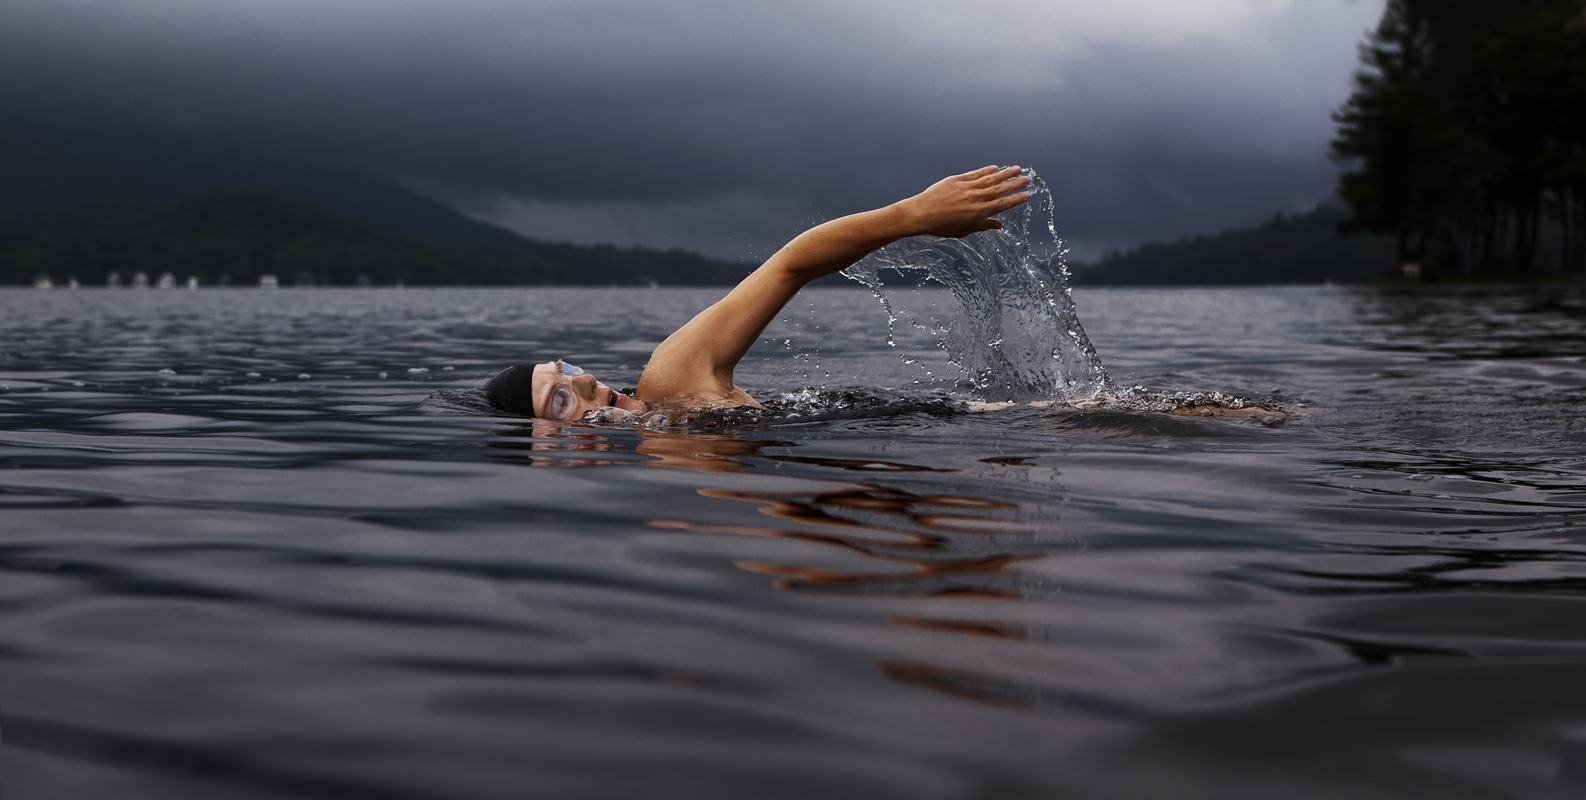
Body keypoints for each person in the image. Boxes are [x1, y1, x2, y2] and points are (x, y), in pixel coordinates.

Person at [484, 165, 1032, 419]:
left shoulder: (671, 381)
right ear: (545, 449)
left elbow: (790, 266)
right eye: (560, 399)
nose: (587, 382)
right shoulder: (667, 472)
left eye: (569, 370)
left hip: (995, 419)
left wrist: (911, 216)